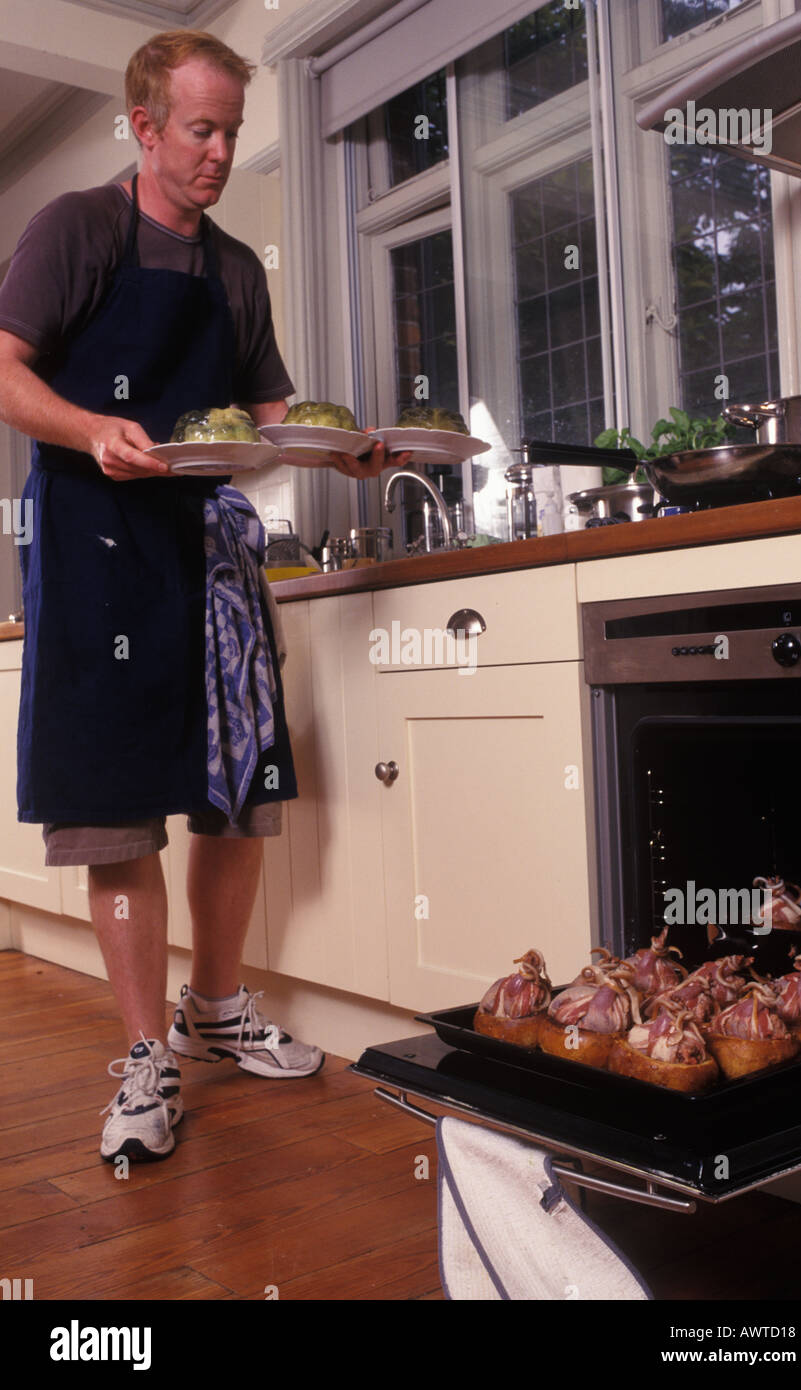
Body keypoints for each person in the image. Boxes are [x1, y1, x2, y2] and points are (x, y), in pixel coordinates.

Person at [0, 30, 406, 1164]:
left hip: (208, 555)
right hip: (93, 549)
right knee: (118, 807)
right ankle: (146, 1054)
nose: (223, 150)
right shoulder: (77, 229)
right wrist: (90, 429)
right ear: (145, 126)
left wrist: (343, 449)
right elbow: (3, 366)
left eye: (232, 128)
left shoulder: (235, 269)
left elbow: (269, 415)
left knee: (239, 795)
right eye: (203, 129)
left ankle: (216, 1011)